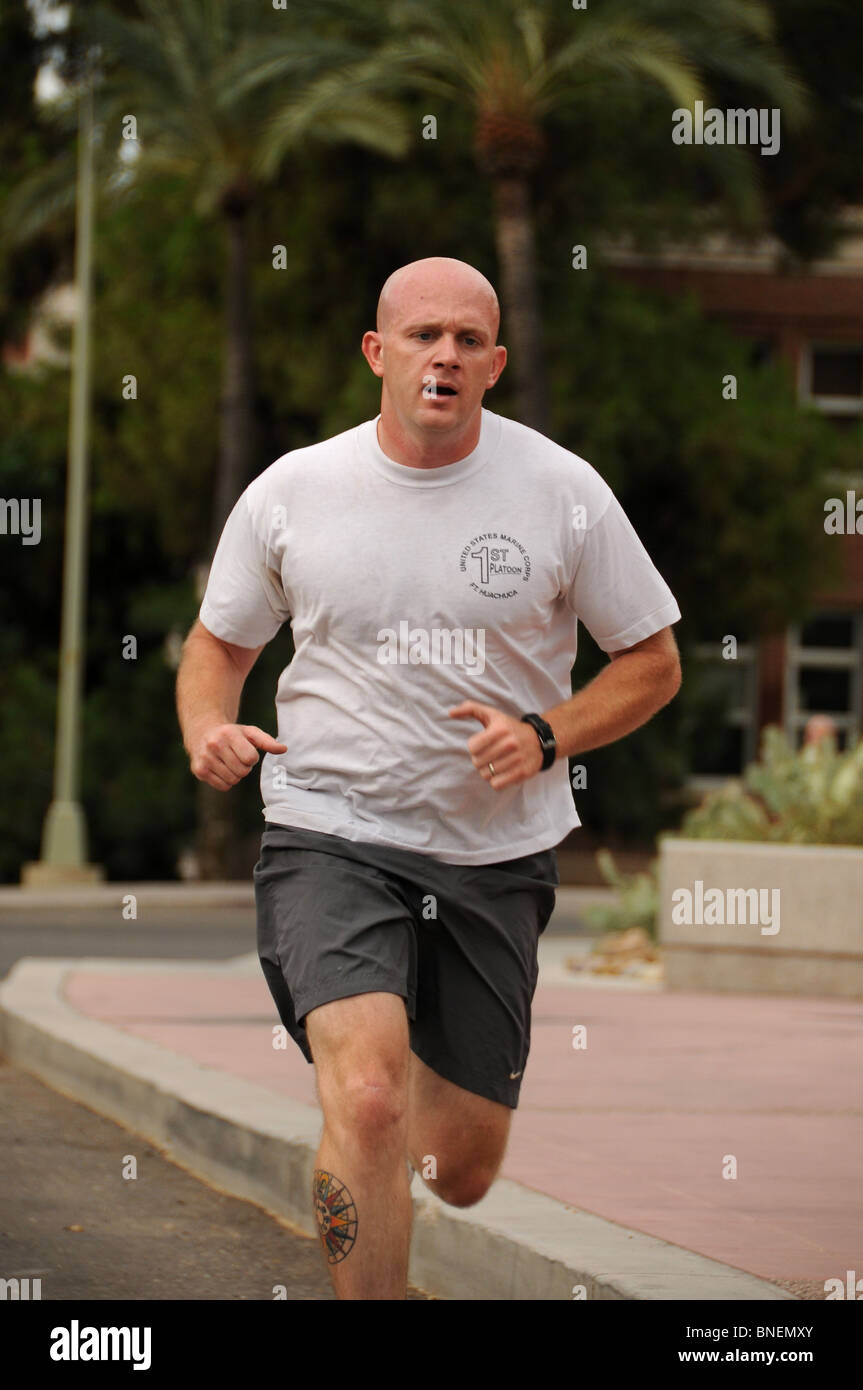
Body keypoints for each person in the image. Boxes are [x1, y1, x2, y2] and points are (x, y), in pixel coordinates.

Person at [175, 256, 682, 1299]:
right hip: (331, 832)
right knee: (366, 1099)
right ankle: (358, 1126)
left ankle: (368, 1118)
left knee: (461, 1170)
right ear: (377, 352)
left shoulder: (561, 491)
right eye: (420, 335)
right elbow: (217, 647)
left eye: (464, 339)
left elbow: (652, 662)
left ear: (494, 363)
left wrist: (546, 734)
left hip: (492, 855)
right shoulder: (295, 490)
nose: (442, 354)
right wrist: (207, 728)